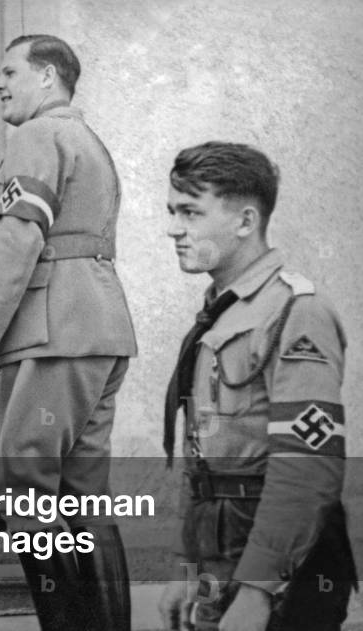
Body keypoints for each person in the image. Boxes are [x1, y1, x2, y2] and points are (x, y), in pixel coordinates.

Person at [0, 34, 137, 631]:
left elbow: (20, 242)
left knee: (21, 494)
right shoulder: (91, 142)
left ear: (48, 77)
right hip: (103, 328)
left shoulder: (35, 135)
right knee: (83, 496)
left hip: (57, 332)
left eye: (10, 71)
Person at [158, 142, 356, 631]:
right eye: (172, 212)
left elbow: (307, 468)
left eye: (190, 212)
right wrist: (189, 566)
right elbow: (203, 458)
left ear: (246, 221)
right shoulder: (221, 314)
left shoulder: (296, 311)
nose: (173, 228)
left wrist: (258, 591)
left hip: (285, 568)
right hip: (222, 551)